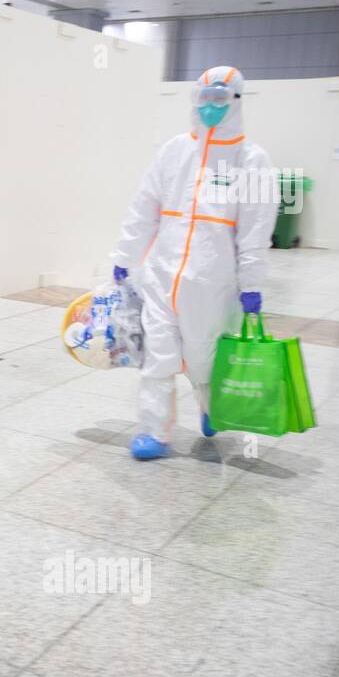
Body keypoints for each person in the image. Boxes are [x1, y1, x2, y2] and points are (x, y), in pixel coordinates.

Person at [109, 66, 277, 460]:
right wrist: (125, 256)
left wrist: (252, 283)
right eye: (204, 99)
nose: (211, 107)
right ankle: (155, 431)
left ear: (236, 101)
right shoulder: (174, 150)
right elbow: (143, 207)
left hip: (212, 281)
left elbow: (256, 229)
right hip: (162, 275)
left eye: (220, 99)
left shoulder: (252, 160)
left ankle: (211, 408)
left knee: (204, 356)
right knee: (158, 357)